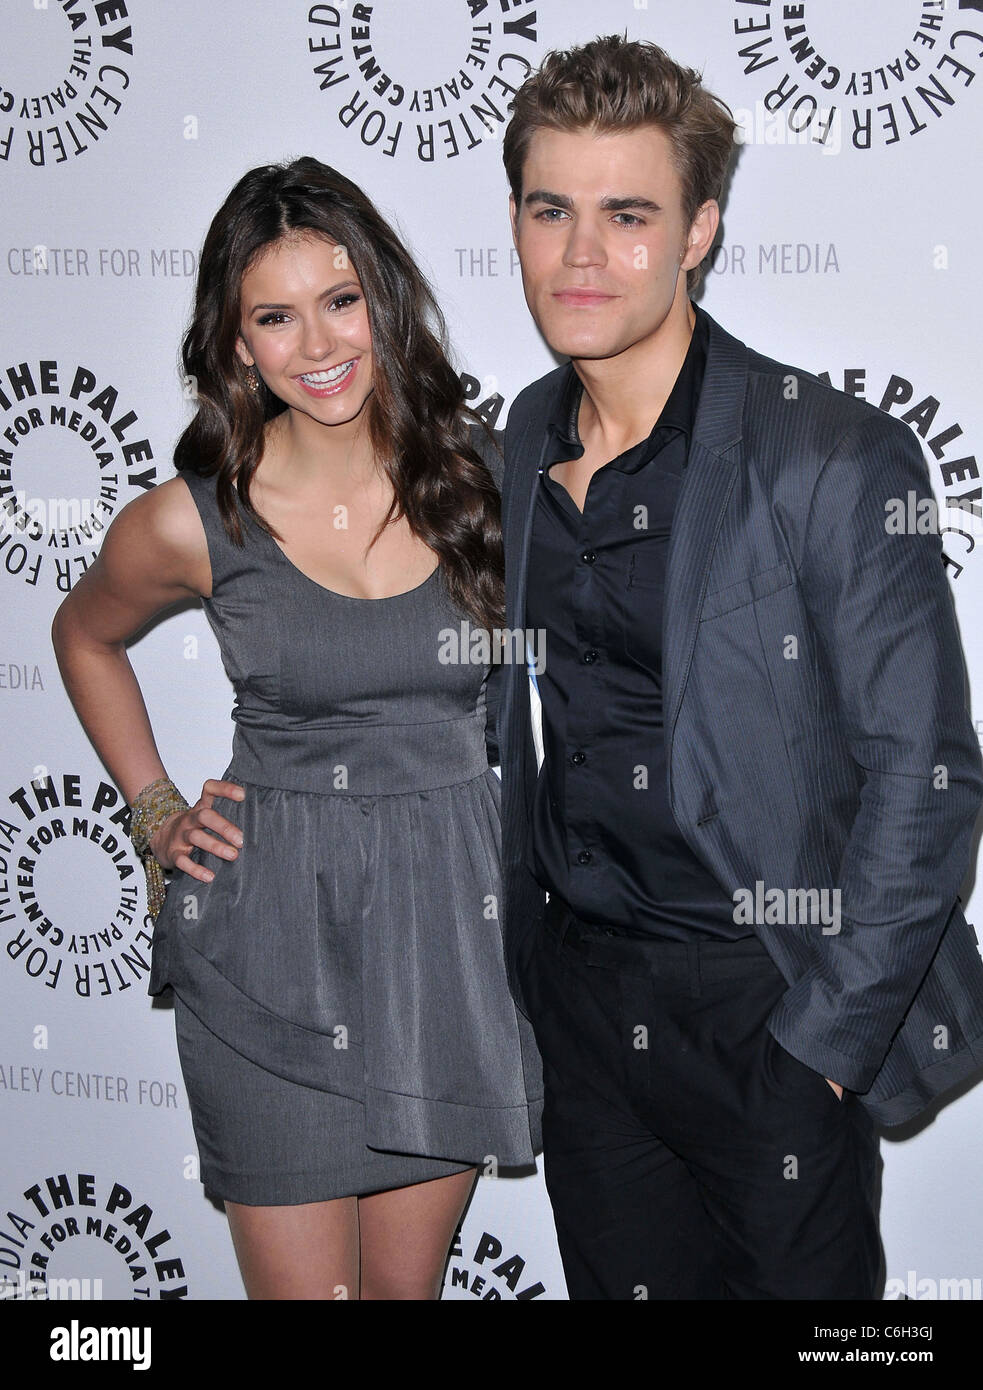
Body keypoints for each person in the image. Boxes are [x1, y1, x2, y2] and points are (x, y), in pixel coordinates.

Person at [495, 35, 983, 1300]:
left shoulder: (829, 456)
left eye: (628, 214)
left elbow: (922, 775)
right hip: (584, 1004)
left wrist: (817, 1047)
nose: (582, 254)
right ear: (515, 220)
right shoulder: (514, 439)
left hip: (764, 995)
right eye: (551, 210)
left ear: (700, 228)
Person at [50, 156, 541, 1301]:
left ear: (384, 299)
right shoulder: (190, 518)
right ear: (235, 344)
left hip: (450, 939)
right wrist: (154, 807)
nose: (317, 343)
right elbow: (84, 637)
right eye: (273, 316)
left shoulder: (488, 477)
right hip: (268, 944)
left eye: (339, 299)